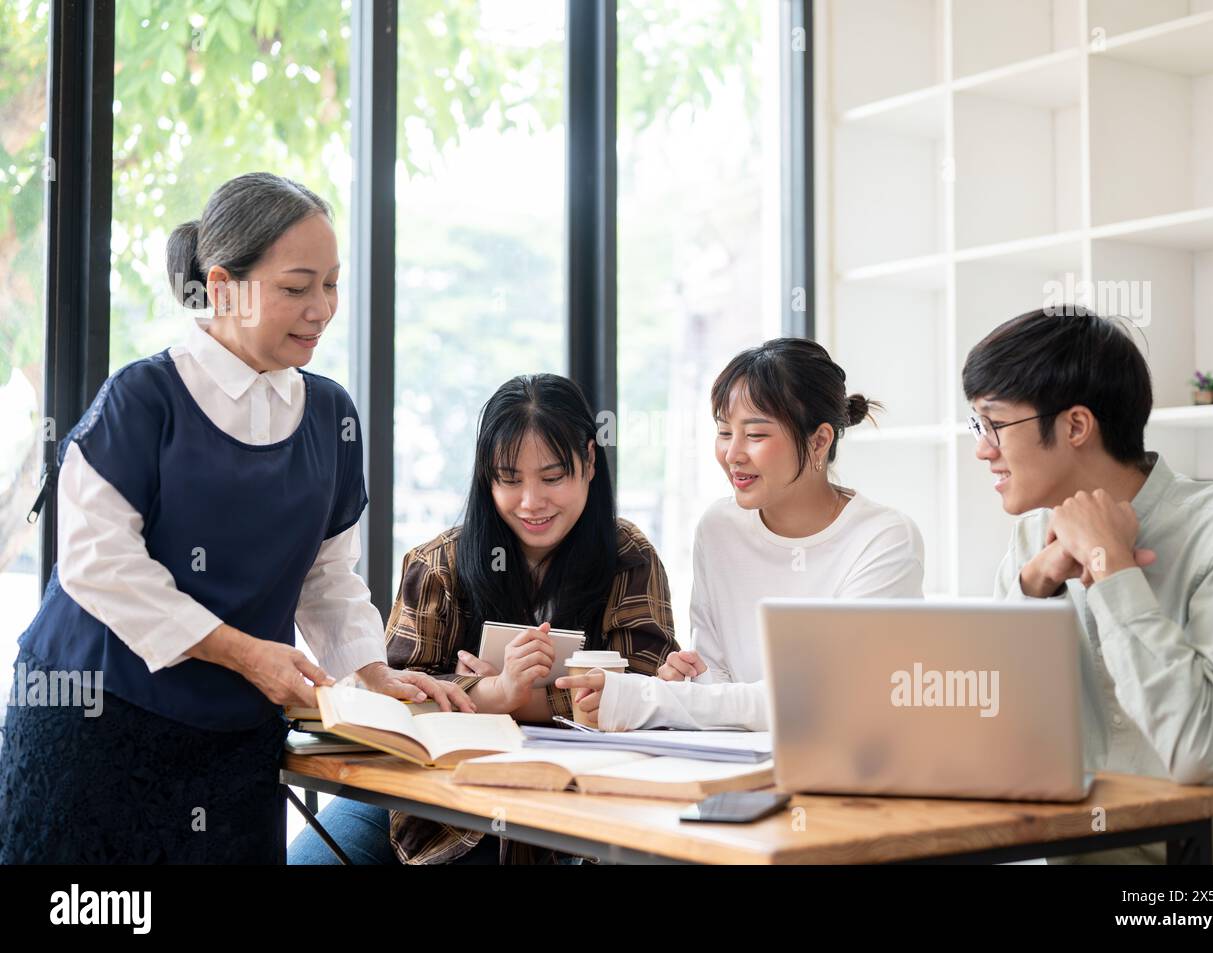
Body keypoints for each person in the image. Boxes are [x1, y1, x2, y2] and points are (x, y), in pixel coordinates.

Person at [0, 172, 468, 865]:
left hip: (232, 747)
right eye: (296, 287)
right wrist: (245, 652)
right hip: (96, 726)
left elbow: (327, 577)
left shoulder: (330, 414)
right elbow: (98, 563)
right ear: (222, 287)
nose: (321, 309)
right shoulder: (144, 398)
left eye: (332, 285)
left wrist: (371, 672)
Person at [289, 373, 677, 864]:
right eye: (509, 480)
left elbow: (647, 693)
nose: (531, 502)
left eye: (553, 477)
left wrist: (505, 696)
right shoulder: (438, 564)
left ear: (590, 462)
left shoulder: (627, 556)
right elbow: (393, 700)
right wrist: (500, 694)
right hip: (423, 794)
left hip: (569, 803)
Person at [964, 306, 1213, 864]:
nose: (982, 448)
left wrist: (1113, 569)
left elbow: (1199, 748)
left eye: (995, 424)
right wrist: (1030, 592)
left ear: (1075, 426)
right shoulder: (1031, 545)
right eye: (977, 425)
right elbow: (990, 737)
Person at [560, 338, 924, 732]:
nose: (732, 454)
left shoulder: (884, 539)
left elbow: (821, 699)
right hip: (739, 770)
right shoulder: (719, 527)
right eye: (723, 431)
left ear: (819, 440)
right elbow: (717, 679)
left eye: (755, 435)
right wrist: (690, 681)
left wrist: (654, 699)